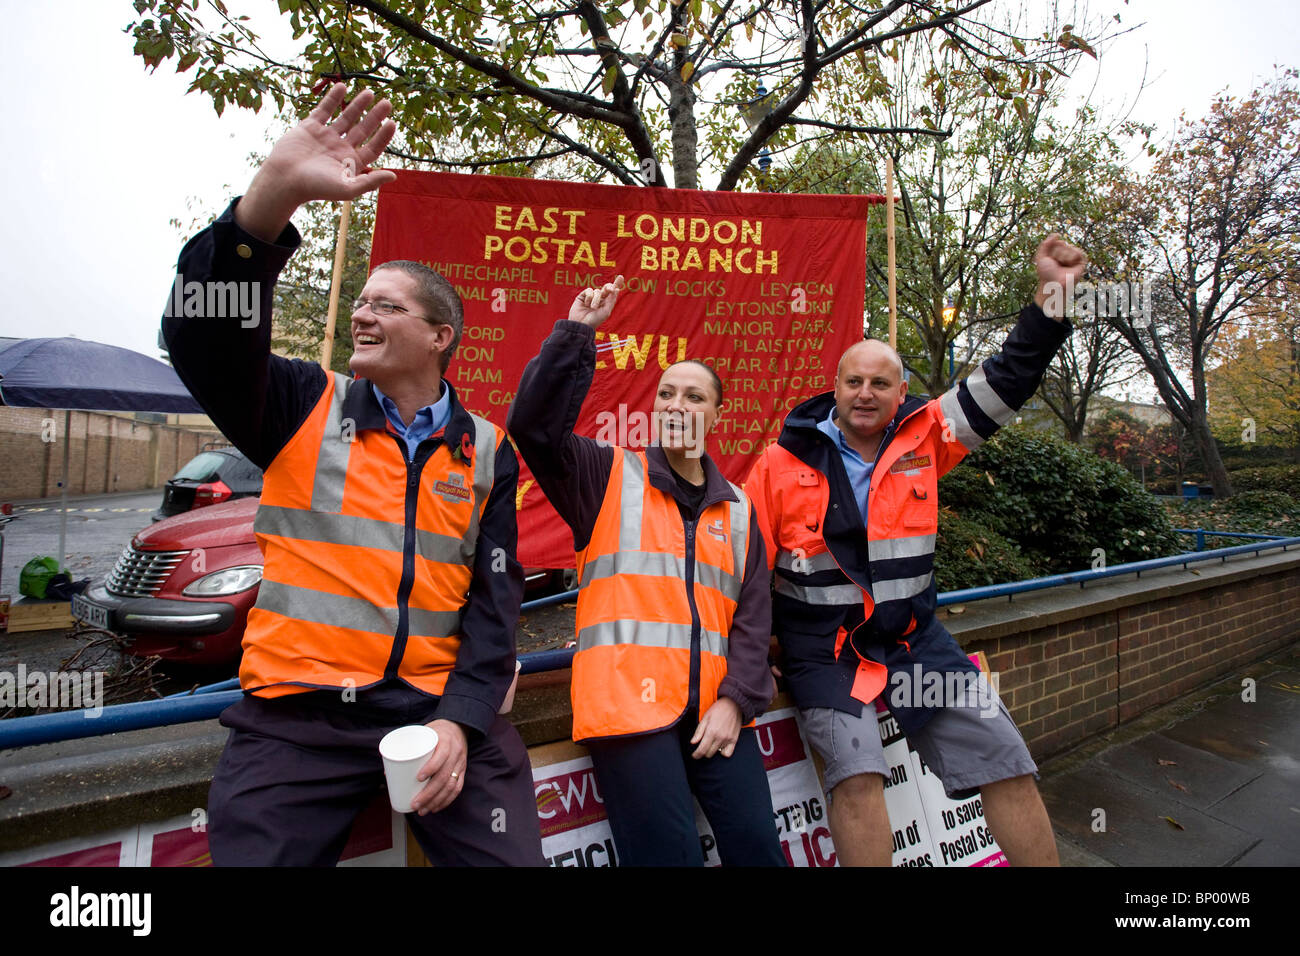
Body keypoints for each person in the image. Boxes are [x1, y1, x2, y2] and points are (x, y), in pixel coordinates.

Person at [163, 83, 544, 866]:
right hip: (295, 724)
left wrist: (463, 719)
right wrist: (267, 202)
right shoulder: (303, 403)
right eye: (360, 301)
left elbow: (494, 605)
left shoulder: (487, 449)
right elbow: (202, 340)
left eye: (386, 306)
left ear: (442, 337)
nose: (362, 315)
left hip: (435, 712)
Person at [747, 236, 1089, 866]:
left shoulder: (928, 435)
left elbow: (1007, 380)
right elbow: (743, 569)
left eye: (881, 382)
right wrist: (750, 654)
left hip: (912, 641)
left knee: (1005, 761)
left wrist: (1052, 300)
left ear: (902, 389)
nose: (866, 393)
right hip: (823, 652)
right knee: (856, 776)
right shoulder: (780, 461)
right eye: (854, 381)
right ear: (836, 387)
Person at [507, 277, 787, 867]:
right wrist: (576, 334)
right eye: (666, 395)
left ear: (716, 413)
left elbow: (752, 623)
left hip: (715, 711)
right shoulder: (604, 476)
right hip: (628, 716)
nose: (676, 406)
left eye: (693, 397)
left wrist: (736, 700)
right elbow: (532, 427)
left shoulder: (739, 509)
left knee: (760, 849)